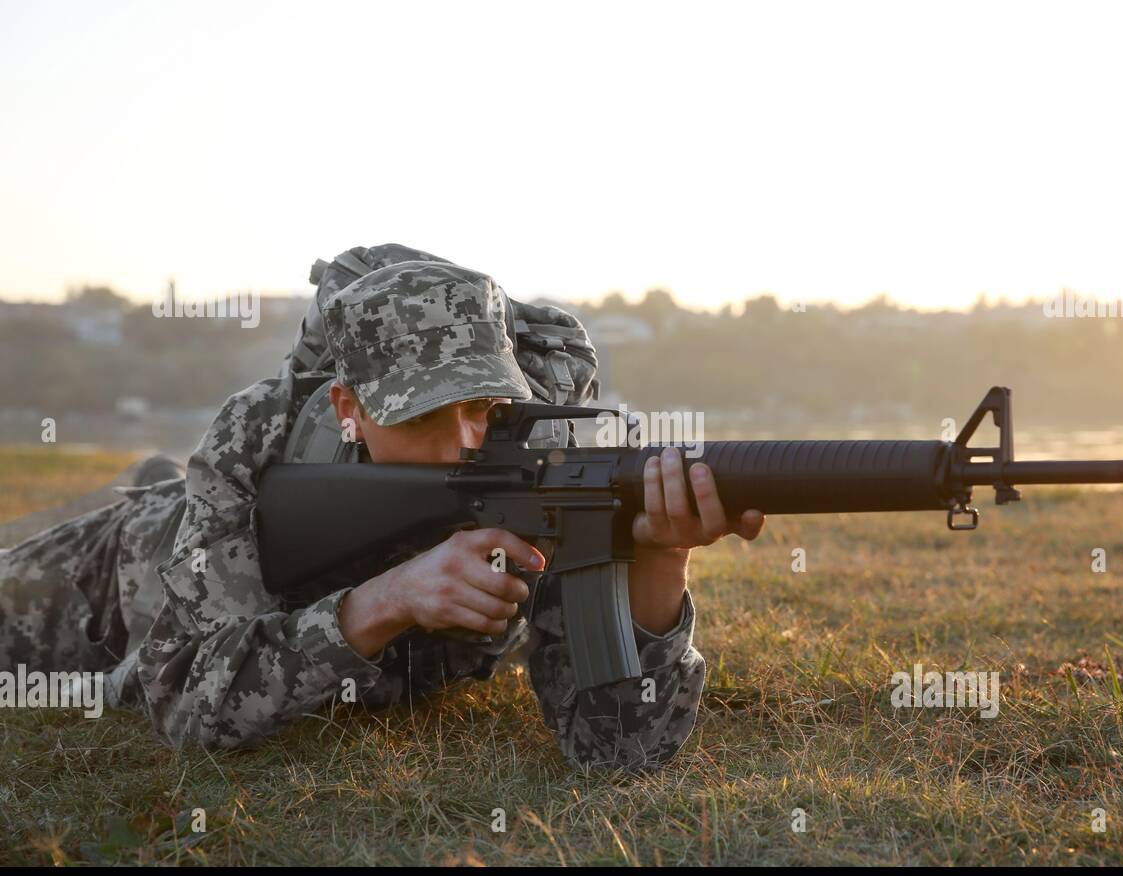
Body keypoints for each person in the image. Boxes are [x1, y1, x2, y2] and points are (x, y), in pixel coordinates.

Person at [0, 254, 765, 771]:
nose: (463, 442)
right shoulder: (255, 435)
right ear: (349, 408)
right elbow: (190, 711)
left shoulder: (552, 461)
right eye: (423, 418)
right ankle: (156, 486)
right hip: (121, 573)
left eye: (482, 408)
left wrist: (661, 563)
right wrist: (385, 601)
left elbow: (618, 754)